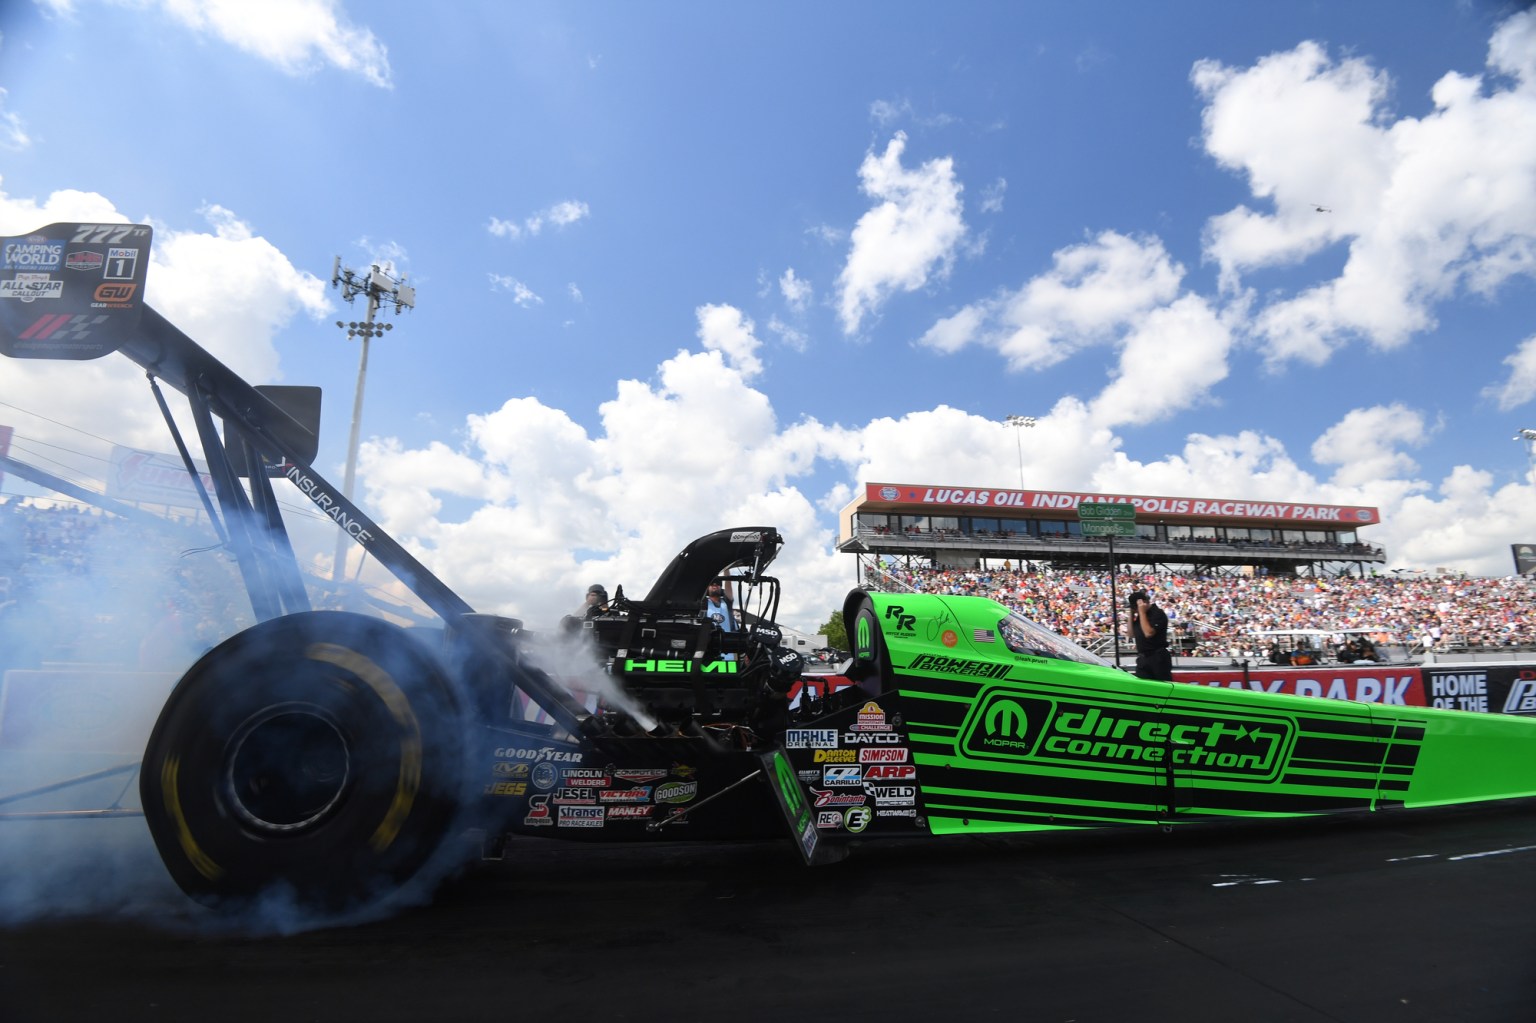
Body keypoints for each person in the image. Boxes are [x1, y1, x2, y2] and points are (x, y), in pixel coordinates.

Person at [1126, 588, 1173, 681]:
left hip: (1158, 657)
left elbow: (1148, 633)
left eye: (1135, 608)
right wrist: (1131, 615)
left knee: (1162, 688)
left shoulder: (1158, 613)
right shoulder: (1140, 616)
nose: (1135, 610)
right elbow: (1131, 634)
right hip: (1143, 658)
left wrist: (1142, 612)